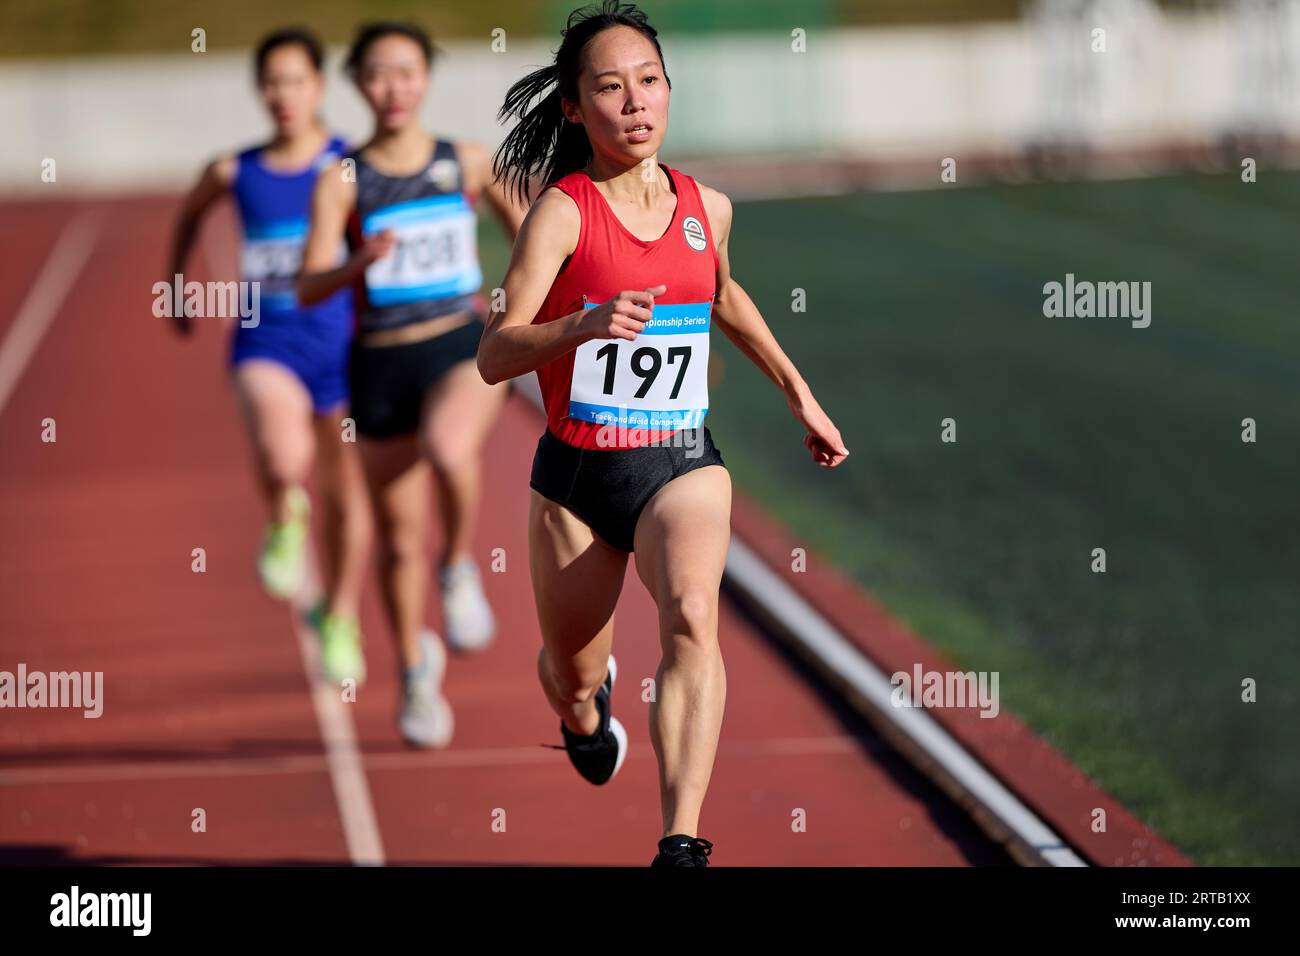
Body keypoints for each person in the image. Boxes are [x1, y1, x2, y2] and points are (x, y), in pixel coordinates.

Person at [480, 1, 849, 866]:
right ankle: (582, 708)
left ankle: (681, 842)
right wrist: (580, 325)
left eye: (649, 82)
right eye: (610, 88)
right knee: (572, 680)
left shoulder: (705, 207)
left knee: (692, 614)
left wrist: (800, 394)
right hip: (575, 479)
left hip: (679, 462)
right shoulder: (562, 214)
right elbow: (496, 353)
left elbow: (721, 295)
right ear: (575, 108)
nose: (636, 102)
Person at [298, 21, 526, 747]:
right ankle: (414, 670)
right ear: (358, 86)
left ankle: (457, 567)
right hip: (380, 363)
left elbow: (538, 240)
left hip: (460, 345)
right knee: (396, 544)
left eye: (405, 72)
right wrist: (356, 262)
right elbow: (307, 284)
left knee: (451, 451)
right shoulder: (342, 178)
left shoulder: (466, 161)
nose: (392, 88)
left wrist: (522, 308)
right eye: (376, 75)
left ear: (425, 78)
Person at [164, 26, 371, 683]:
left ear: (319, 86)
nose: (283, 95)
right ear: (260, 91)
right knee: (286, 456)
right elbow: (188, 218)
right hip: (266, 341)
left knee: (346, 496)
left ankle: (338, 615)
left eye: (296, 81)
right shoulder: (234, 170)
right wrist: (174, 286)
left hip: (343, 348)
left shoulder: (351, 164)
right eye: (272, 82)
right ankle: (284, 514)